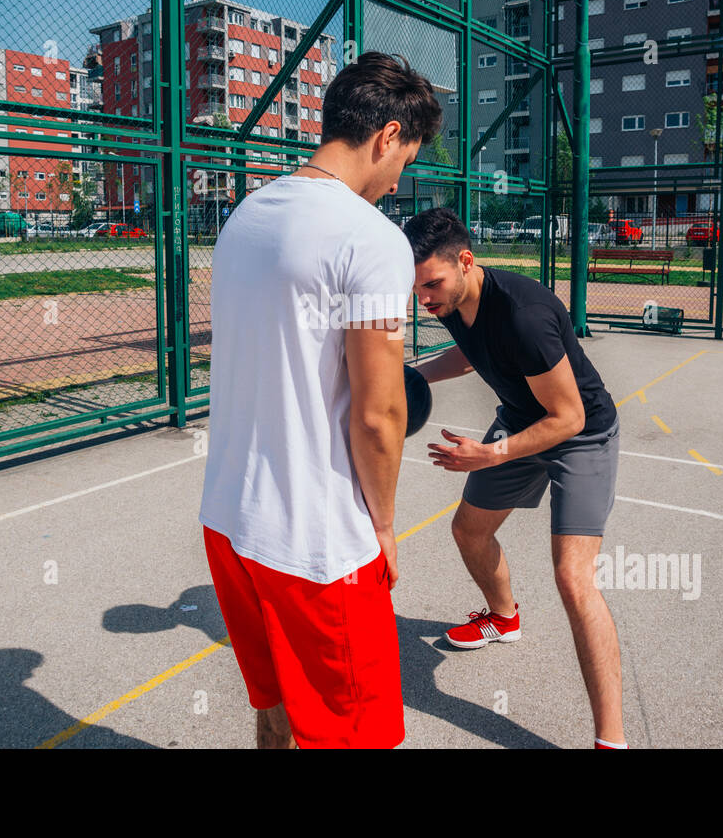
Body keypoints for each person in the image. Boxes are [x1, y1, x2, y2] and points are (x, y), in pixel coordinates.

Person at [198, 52, 443, 748]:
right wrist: (386, 524)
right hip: (317, 540)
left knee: (275, 708)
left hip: (230, 520)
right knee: (354, 737)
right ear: (386, 135)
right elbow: (379, 412)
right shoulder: (370, 238)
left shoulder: (246, 216)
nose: (399, 182)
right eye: (406, 160)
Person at [403, 207, 628, 750]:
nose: (425, 300)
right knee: (468, 530)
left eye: (432, 285)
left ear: (466, 261)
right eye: (417, 290)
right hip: (519, 422)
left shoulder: (524, 315)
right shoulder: (455, 301)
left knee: (574, 580)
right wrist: (410, 374)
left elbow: (568, 417)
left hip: (581, 435)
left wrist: (490, 454)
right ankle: (503, 619)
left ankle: (612, 740)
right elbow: (468, 355)